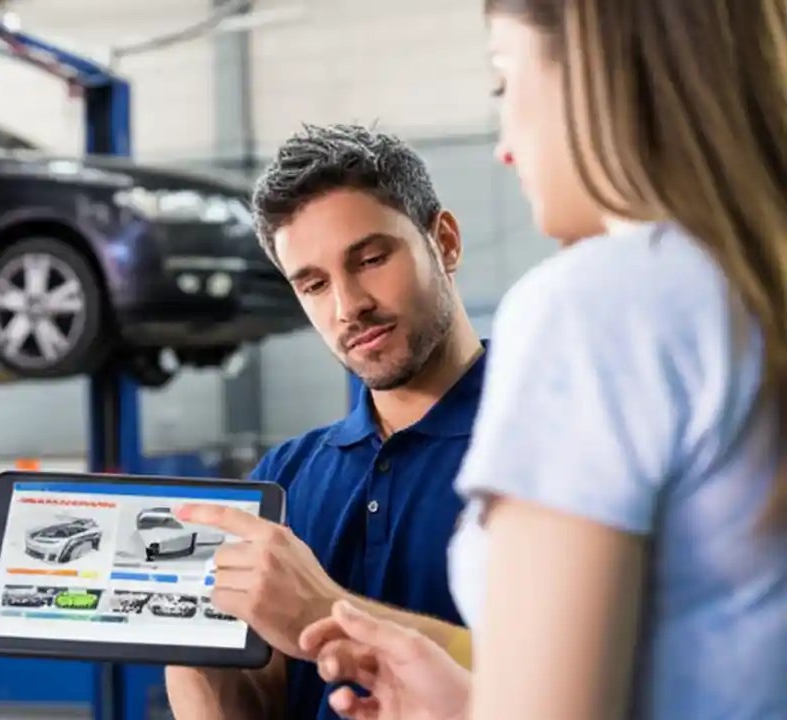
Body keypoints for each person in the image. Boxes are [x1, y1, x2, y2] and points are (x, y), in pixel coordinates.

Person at [299, 1, 787, 719]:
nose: (504, 145)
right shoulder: (741, 290)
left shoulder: (600, 306)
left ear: (595, 69)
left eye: (504, 81)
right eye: (310, 283)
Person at [164, 124, 485, 720]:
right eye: (313, 284)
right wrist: (187, 642)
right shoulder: (283, 480)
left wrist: (326, 610)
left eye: (369, 259)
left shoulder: (548, 438)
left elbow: (583, 680)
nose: (348, 306)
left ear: (444, 242)